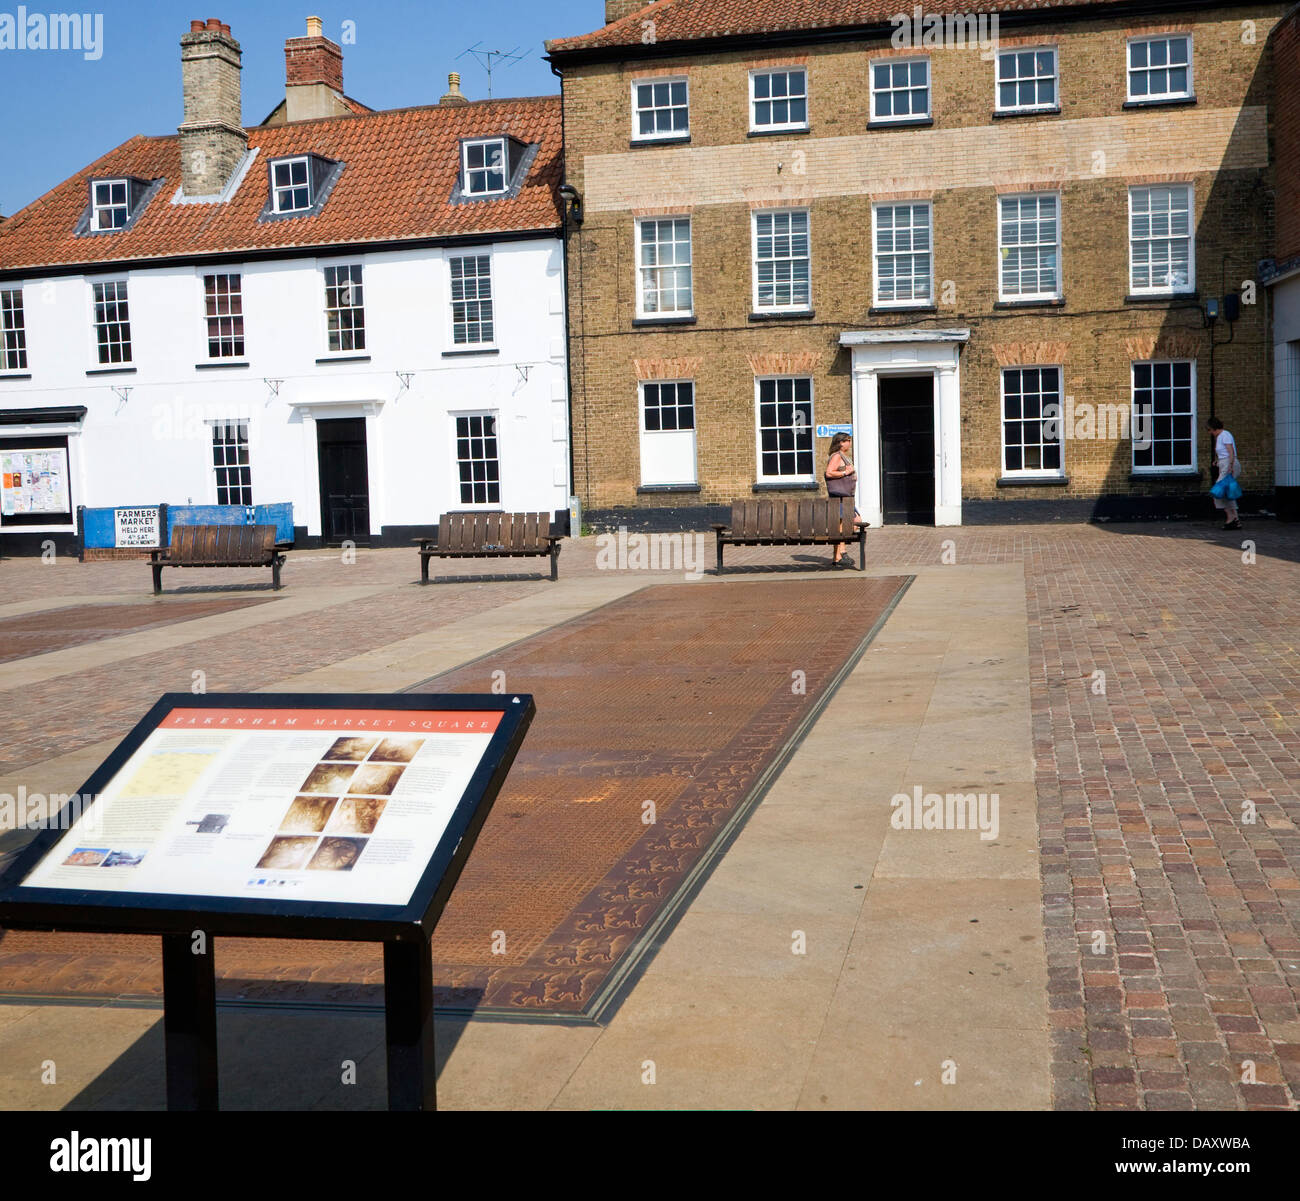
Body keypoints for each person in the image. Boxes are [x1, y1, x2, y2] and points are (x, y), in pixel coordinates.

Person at [825, 432, 865, 567]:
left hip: (846, 497)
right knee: (853, 521)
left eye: (849, 440)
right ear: (840, 442)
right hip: (840, 497)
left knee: (843, 525)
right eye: (847, 441)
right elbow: (829, 472)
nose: (849, 443)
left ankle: (837, 557)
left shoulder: (842, 456)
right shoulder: (836, 456)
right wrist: (845, 472)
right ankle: (842, 552)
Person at [1207, 416, 1241, 531]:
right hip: (1225, 463)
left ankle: (1230, 517)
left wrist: (1230, 466)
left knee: (1218, 492)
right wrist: (1218, 461)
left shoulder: (1225, 435)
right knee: (1227, 493)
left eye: (1209, 430)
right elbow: (1224, 452)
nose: (1209, 432)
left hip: (1228, 465)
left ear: (1213, 428)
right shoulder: (1221, 436)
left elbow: (1230, 451)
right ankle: (1235, 519)